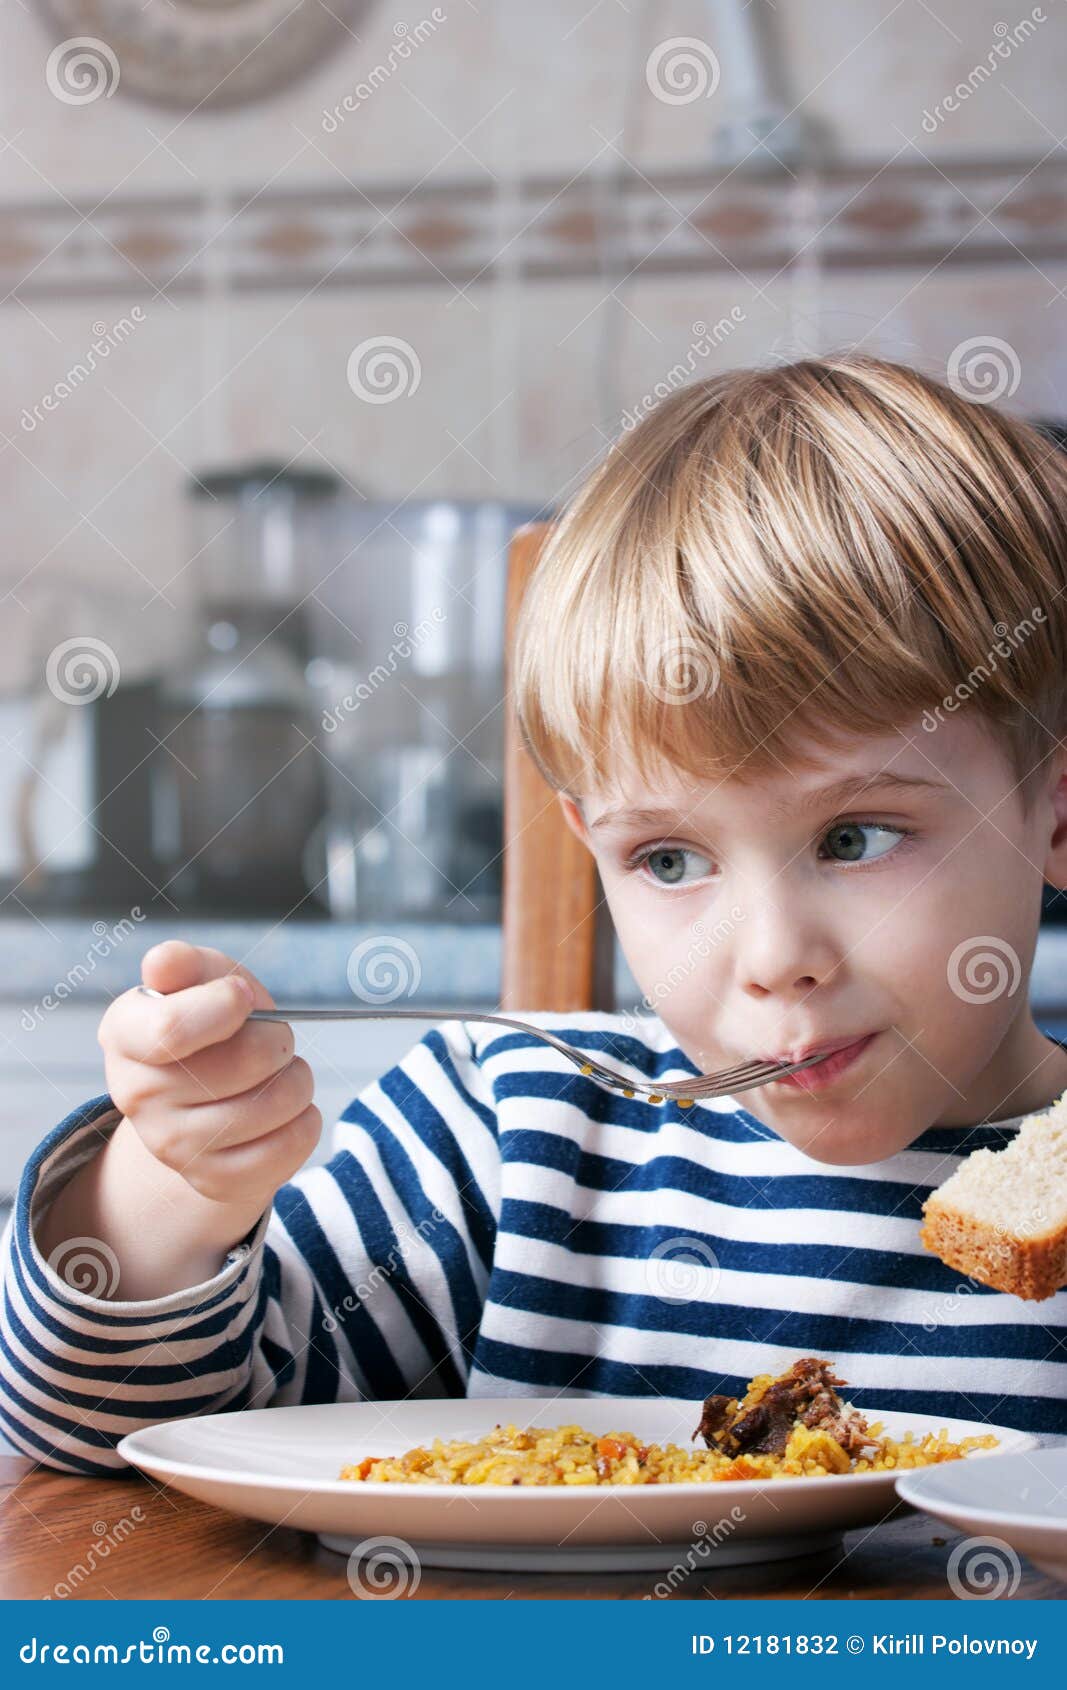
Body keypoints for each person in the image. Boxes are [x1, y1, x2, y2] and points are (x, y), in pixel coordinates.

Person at [4, 351, 1067, 1477]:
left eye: (853, 839)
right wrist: (171, 1190)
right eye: (668, 858)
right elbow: (98, 1435)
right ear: (587, 843)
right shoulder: (510, 1135)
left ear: (1052, 813)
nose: (769, 958)